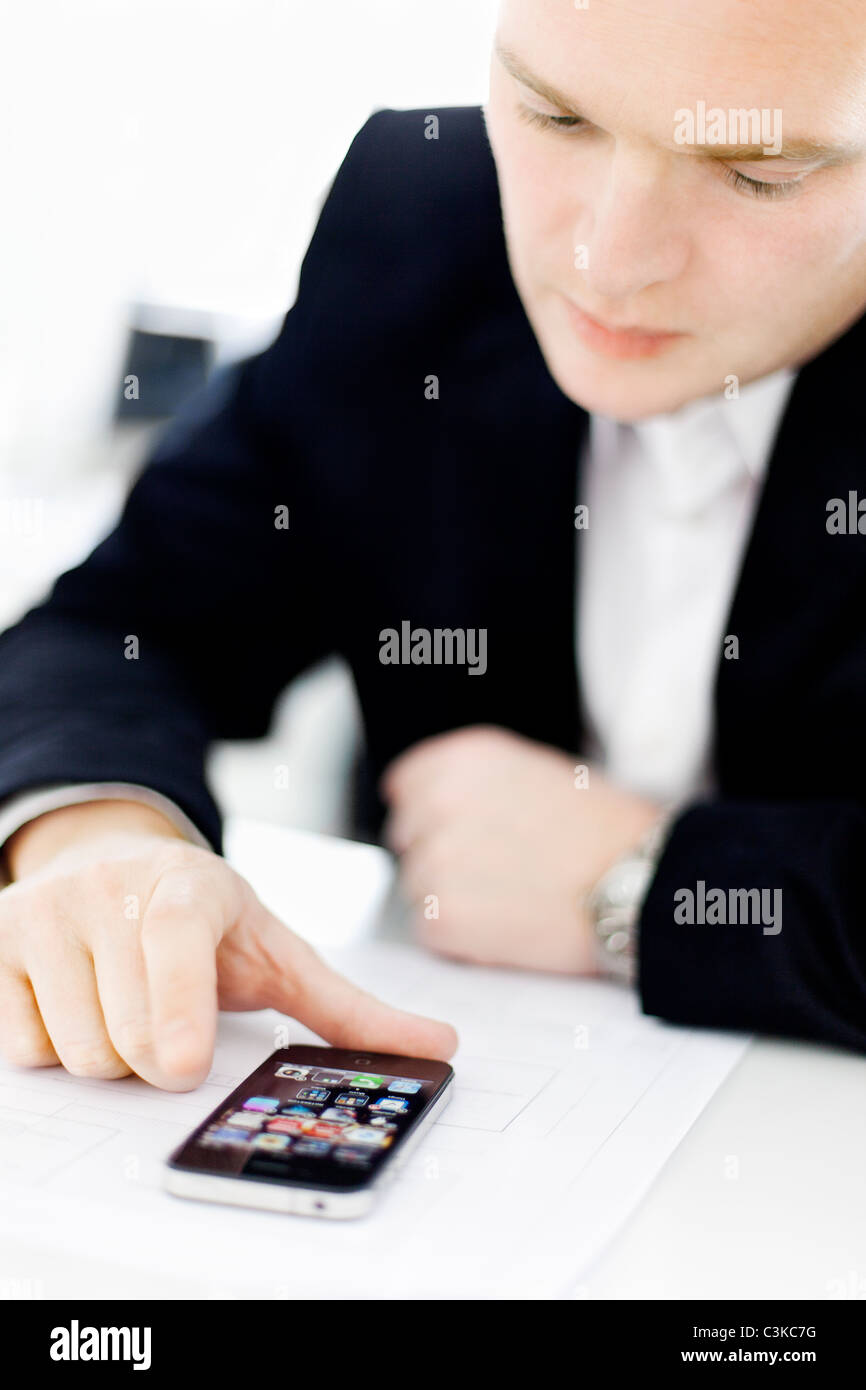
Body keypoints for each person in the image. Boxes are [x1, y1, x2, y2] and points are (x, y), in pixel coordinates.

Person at [1, 0, 866, 1092]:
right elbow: (119, 627)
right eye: (555, 117)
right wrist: (100, 834)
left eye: (758, 172)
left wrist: (647, 889)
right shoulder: (417, 221)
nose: (605, 261)